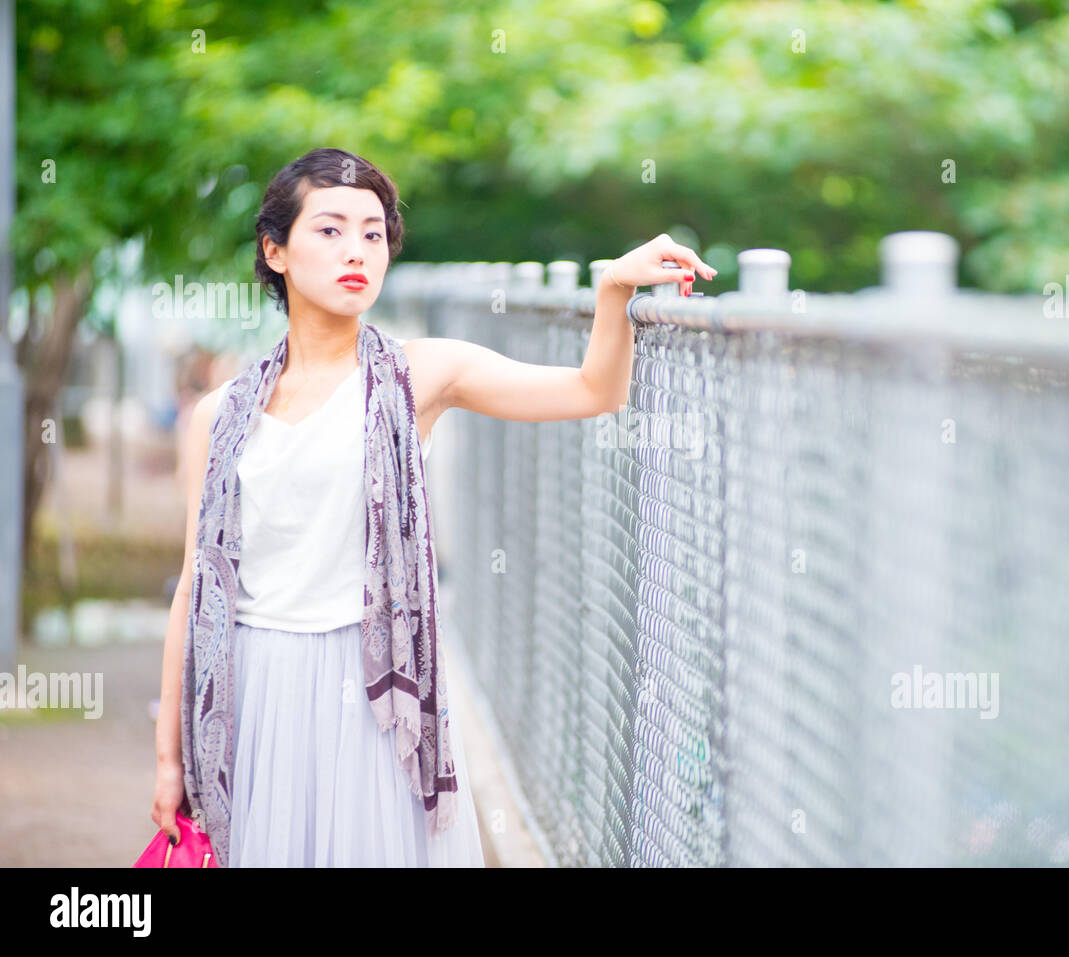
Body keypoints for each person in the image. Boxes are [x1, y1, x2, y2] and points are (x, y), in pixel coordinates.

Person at [149, 146, 714, 866]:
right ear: (275, 250)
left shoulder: (420, 374)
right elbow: (194, 588)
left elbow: (590, 391)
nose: (357, 249)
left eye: (374, 232)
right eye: (329, 230)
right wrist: (169, 757)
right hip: (255, 693)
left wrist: (613, 292)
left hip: (375, 695)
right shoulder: (221, 415)